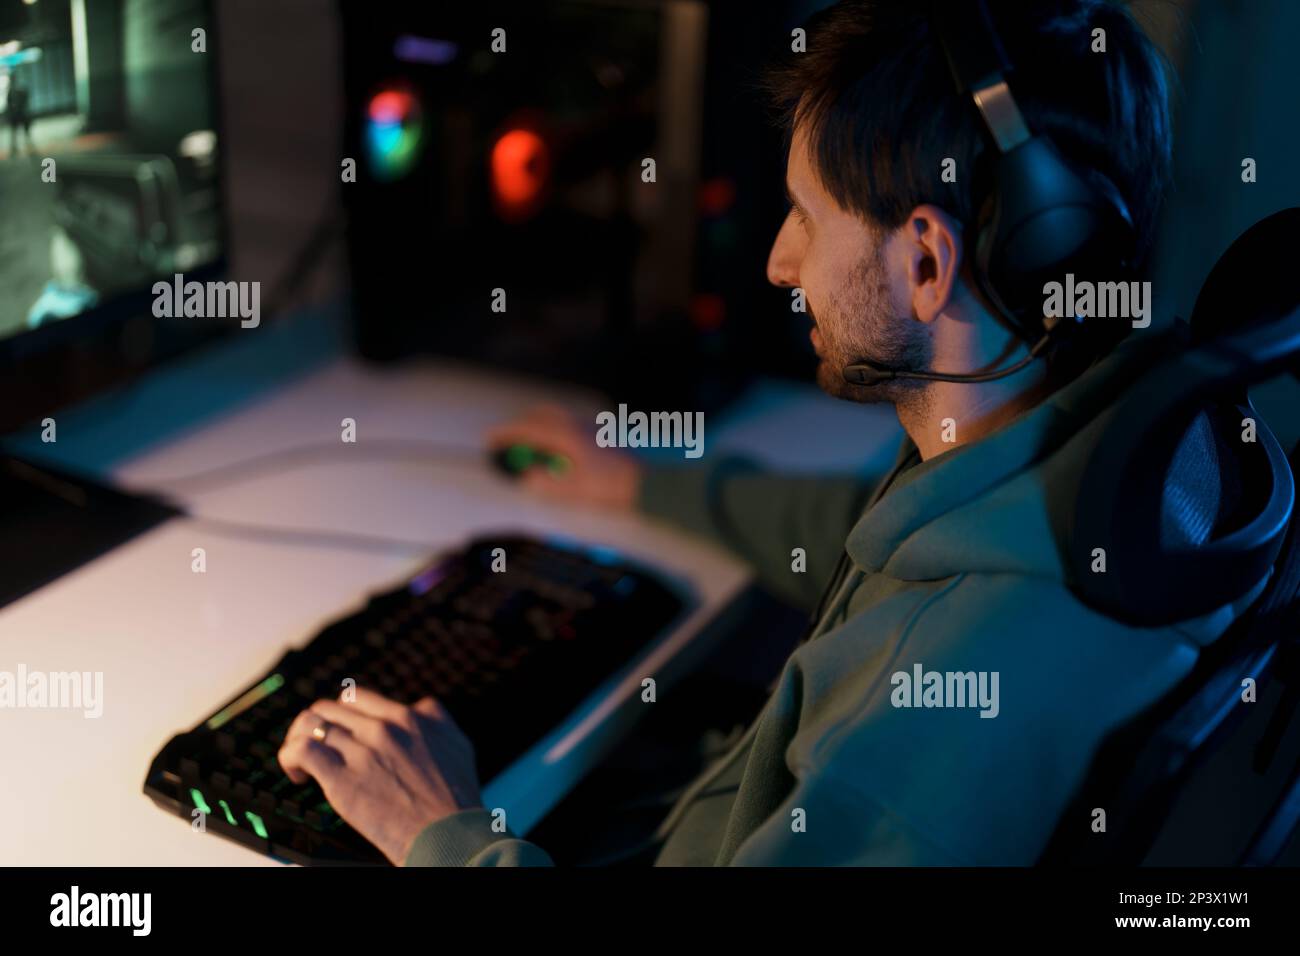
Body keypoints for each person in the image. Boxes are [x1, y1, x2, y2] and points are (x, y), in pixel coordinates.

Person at [279, 0, 1250, 866]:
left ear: (926, 260)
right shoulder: (1123, 454)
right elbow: (880, 543)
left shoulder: (939, 705)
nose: (780, 264)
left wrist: (440, 829)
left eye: (804, 216)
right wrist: (644, 486)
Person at [5, 75, 31, 156]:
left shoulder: (18, 90)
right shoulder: (13, 91)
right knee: (16, 133)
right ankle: (15, 149)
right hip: (17, 115)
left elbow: (24, 101)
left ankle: (28, 147)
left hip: (20, 114)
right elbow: (9, 105)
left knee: (23, 133)